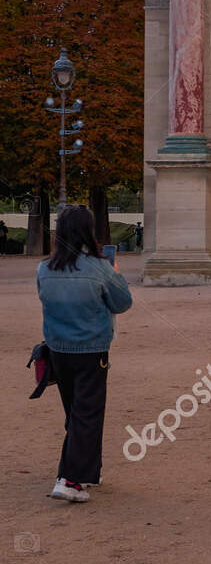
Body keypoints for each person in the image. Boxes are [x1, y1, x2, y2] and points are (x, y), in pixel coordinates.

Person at [36, 204, 133, 501]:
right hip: (91, 349)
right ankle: (70, 479)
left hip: (58, 349)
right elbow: (122, 303)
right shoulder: (99, 267)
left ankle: (87, 470)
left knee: (75, 412)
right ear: (88, 231)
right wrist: (114, 274)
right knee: (88, 414)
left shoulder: (44, 269)